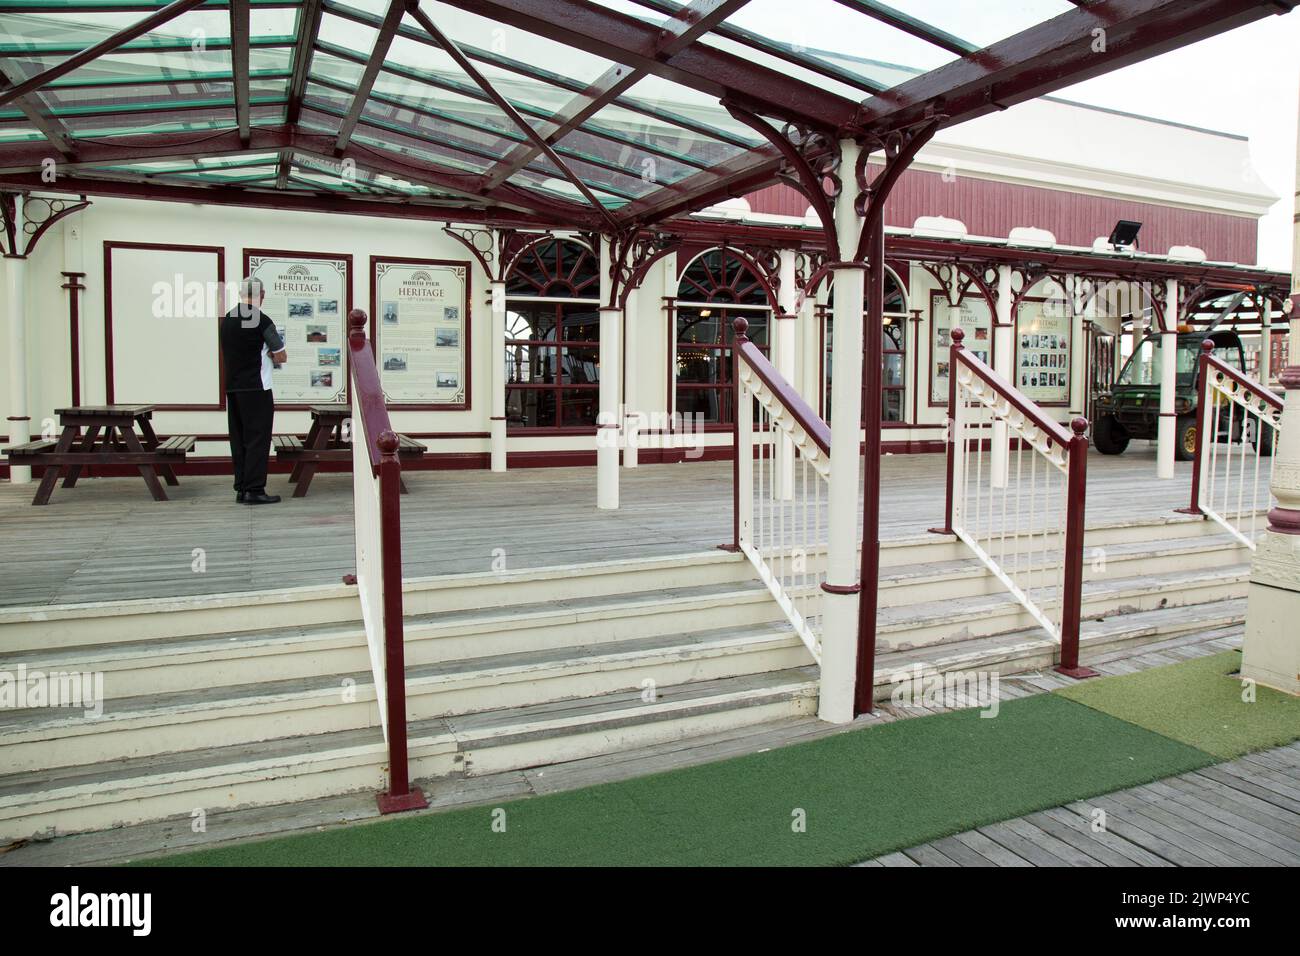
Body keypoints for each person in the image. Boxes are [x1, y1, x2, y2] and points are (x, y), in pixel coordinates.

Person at [219, 277, 287, 504]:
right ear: (263, 295)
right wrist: (270, 354)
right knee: (258, 438)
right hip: (258, 388)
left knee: (239, 438)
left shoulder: (227, 319)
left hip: (233, 387)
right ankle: (255, 489)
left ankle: (241, 487)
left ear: (241, 294)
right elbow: (281, 354)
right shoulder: (261, 320)